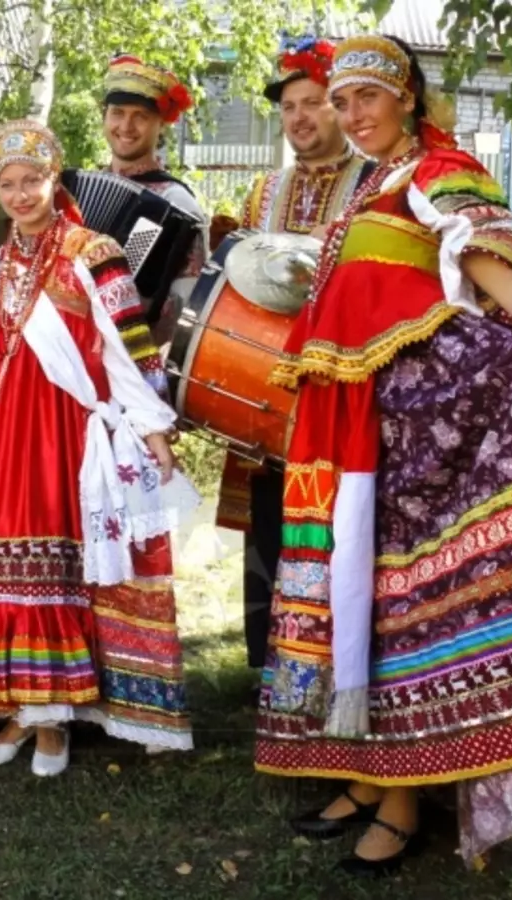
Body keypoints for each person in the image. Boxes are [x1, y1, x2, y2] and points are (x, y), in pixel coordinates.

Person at [255, 34, 512, 875]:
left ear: (409, 97)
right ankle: (367, 774)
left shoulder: (435, 165)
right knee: (352, 587)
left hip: (408, 416)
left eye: (366, 99)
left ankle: (405, 800)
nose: (352, 116)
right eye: (340, 102)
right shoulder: (370, 186)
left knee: (390, 589)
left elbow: (480, 239)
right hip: (350, 411)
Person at [0, 119, 200, 775]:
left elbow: (127, 345)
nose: (21, 194)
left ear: (56, 180)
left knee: (58, 569)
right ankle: (21, 708)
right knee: (4, 568)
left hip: (64, 434)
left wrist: (150, 425)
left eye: (32, 180)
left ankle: (54, 721)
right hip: (6, 435)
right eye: (8, 184)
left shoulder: (95, 250)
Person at [218, 37, 374, 685]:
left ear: (338, 109)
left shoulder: (373, 185)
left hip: (343, 391)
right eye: (289, 107)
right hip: (263, 391)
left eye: (314, 103)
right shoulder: (262, 191)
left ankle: (341, 670)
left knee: (342, 535)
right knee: (269, 531)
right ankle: (270, 673)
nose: (300, 118)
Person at [100, 53, 209, 349]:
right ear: (104, 117)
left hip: (136, 355)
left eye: (141, 116)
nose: (126, 126)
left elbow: (189, 299)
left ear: (160, 125)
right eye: (118, 113)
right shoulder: (75, 189)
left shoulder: (176, 203)